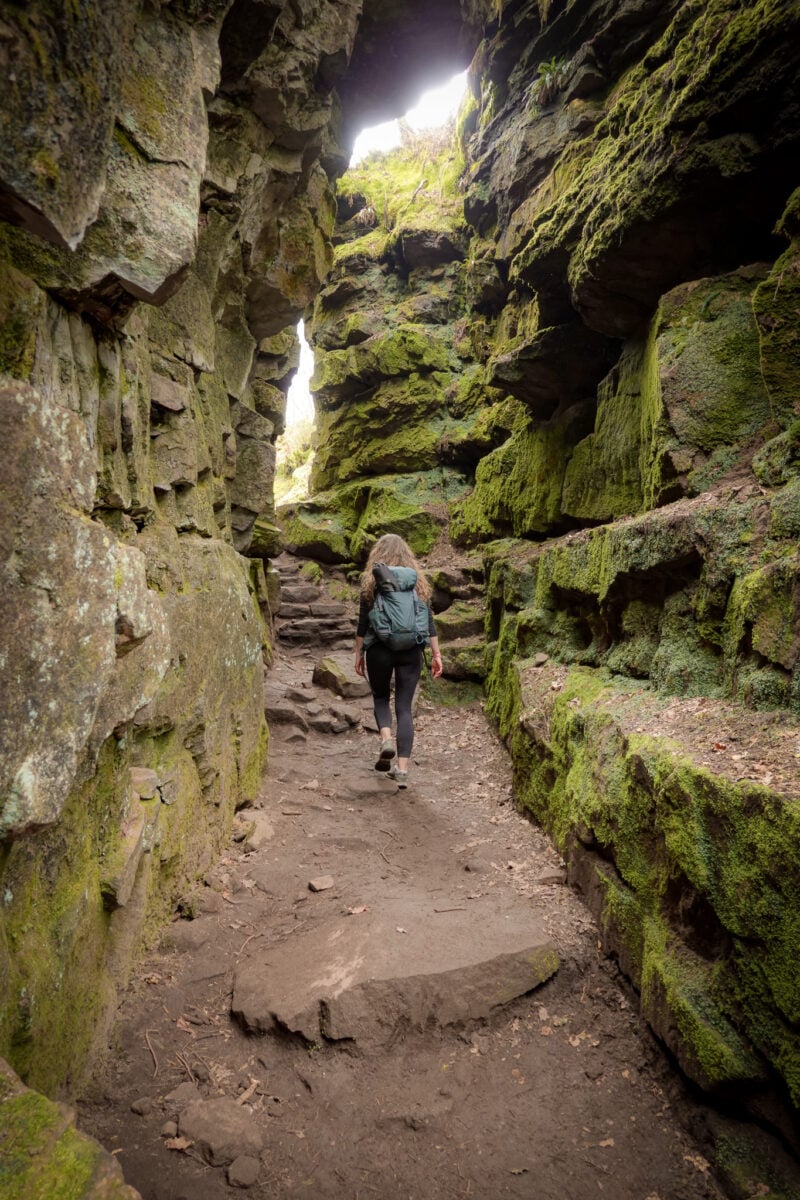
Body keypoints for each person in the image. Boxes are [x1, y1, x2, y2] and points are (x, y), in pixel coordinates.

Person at [354, 534, 443, 788]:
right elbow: (429, 622)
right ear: (407, 554)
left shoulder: (372, 581)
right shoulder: (417, 582)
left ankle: (385, 739)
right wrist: (436, 655)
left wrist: (359, 654)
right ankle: (402, 770)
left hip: (379, 649)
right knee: (404, 708)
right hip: (411, 651)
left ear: (377, 554)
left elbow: (363, 623)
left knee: (381, 697)